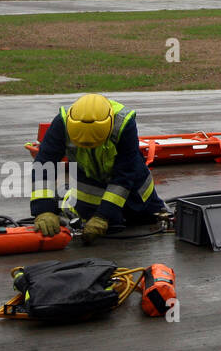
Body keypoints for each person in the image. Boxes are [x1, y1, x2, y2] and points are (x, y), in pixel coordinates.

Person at [31, 94, 166, 245]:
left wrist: (103, 216)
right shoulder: (61, 123)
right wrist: (43, 210)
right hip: (89, 182)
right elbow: (44, 164)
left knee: (146, 219)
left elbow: (125, 174)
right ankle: (71, 203)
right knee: (102, 226)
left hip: (133, 186)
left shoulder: (123, 124)